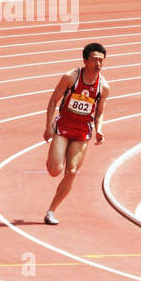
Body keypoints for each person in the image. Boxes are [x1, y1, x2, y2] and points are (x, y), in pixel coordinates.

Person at [42, 41, 109, 225]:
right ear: (85, 60)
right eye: (94, 60)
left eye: (101, 61)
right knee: (55, 170)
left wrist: (99, 129)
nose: (98, 64)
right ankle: (53, 157)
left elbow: (99, 112)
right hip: (63, 127)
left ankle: (51, 211)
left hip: (82, 131)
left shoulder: (103, 86)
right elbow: (53, 101)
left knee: (71, 171)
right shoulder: (70, 77)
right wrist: (48, 126)